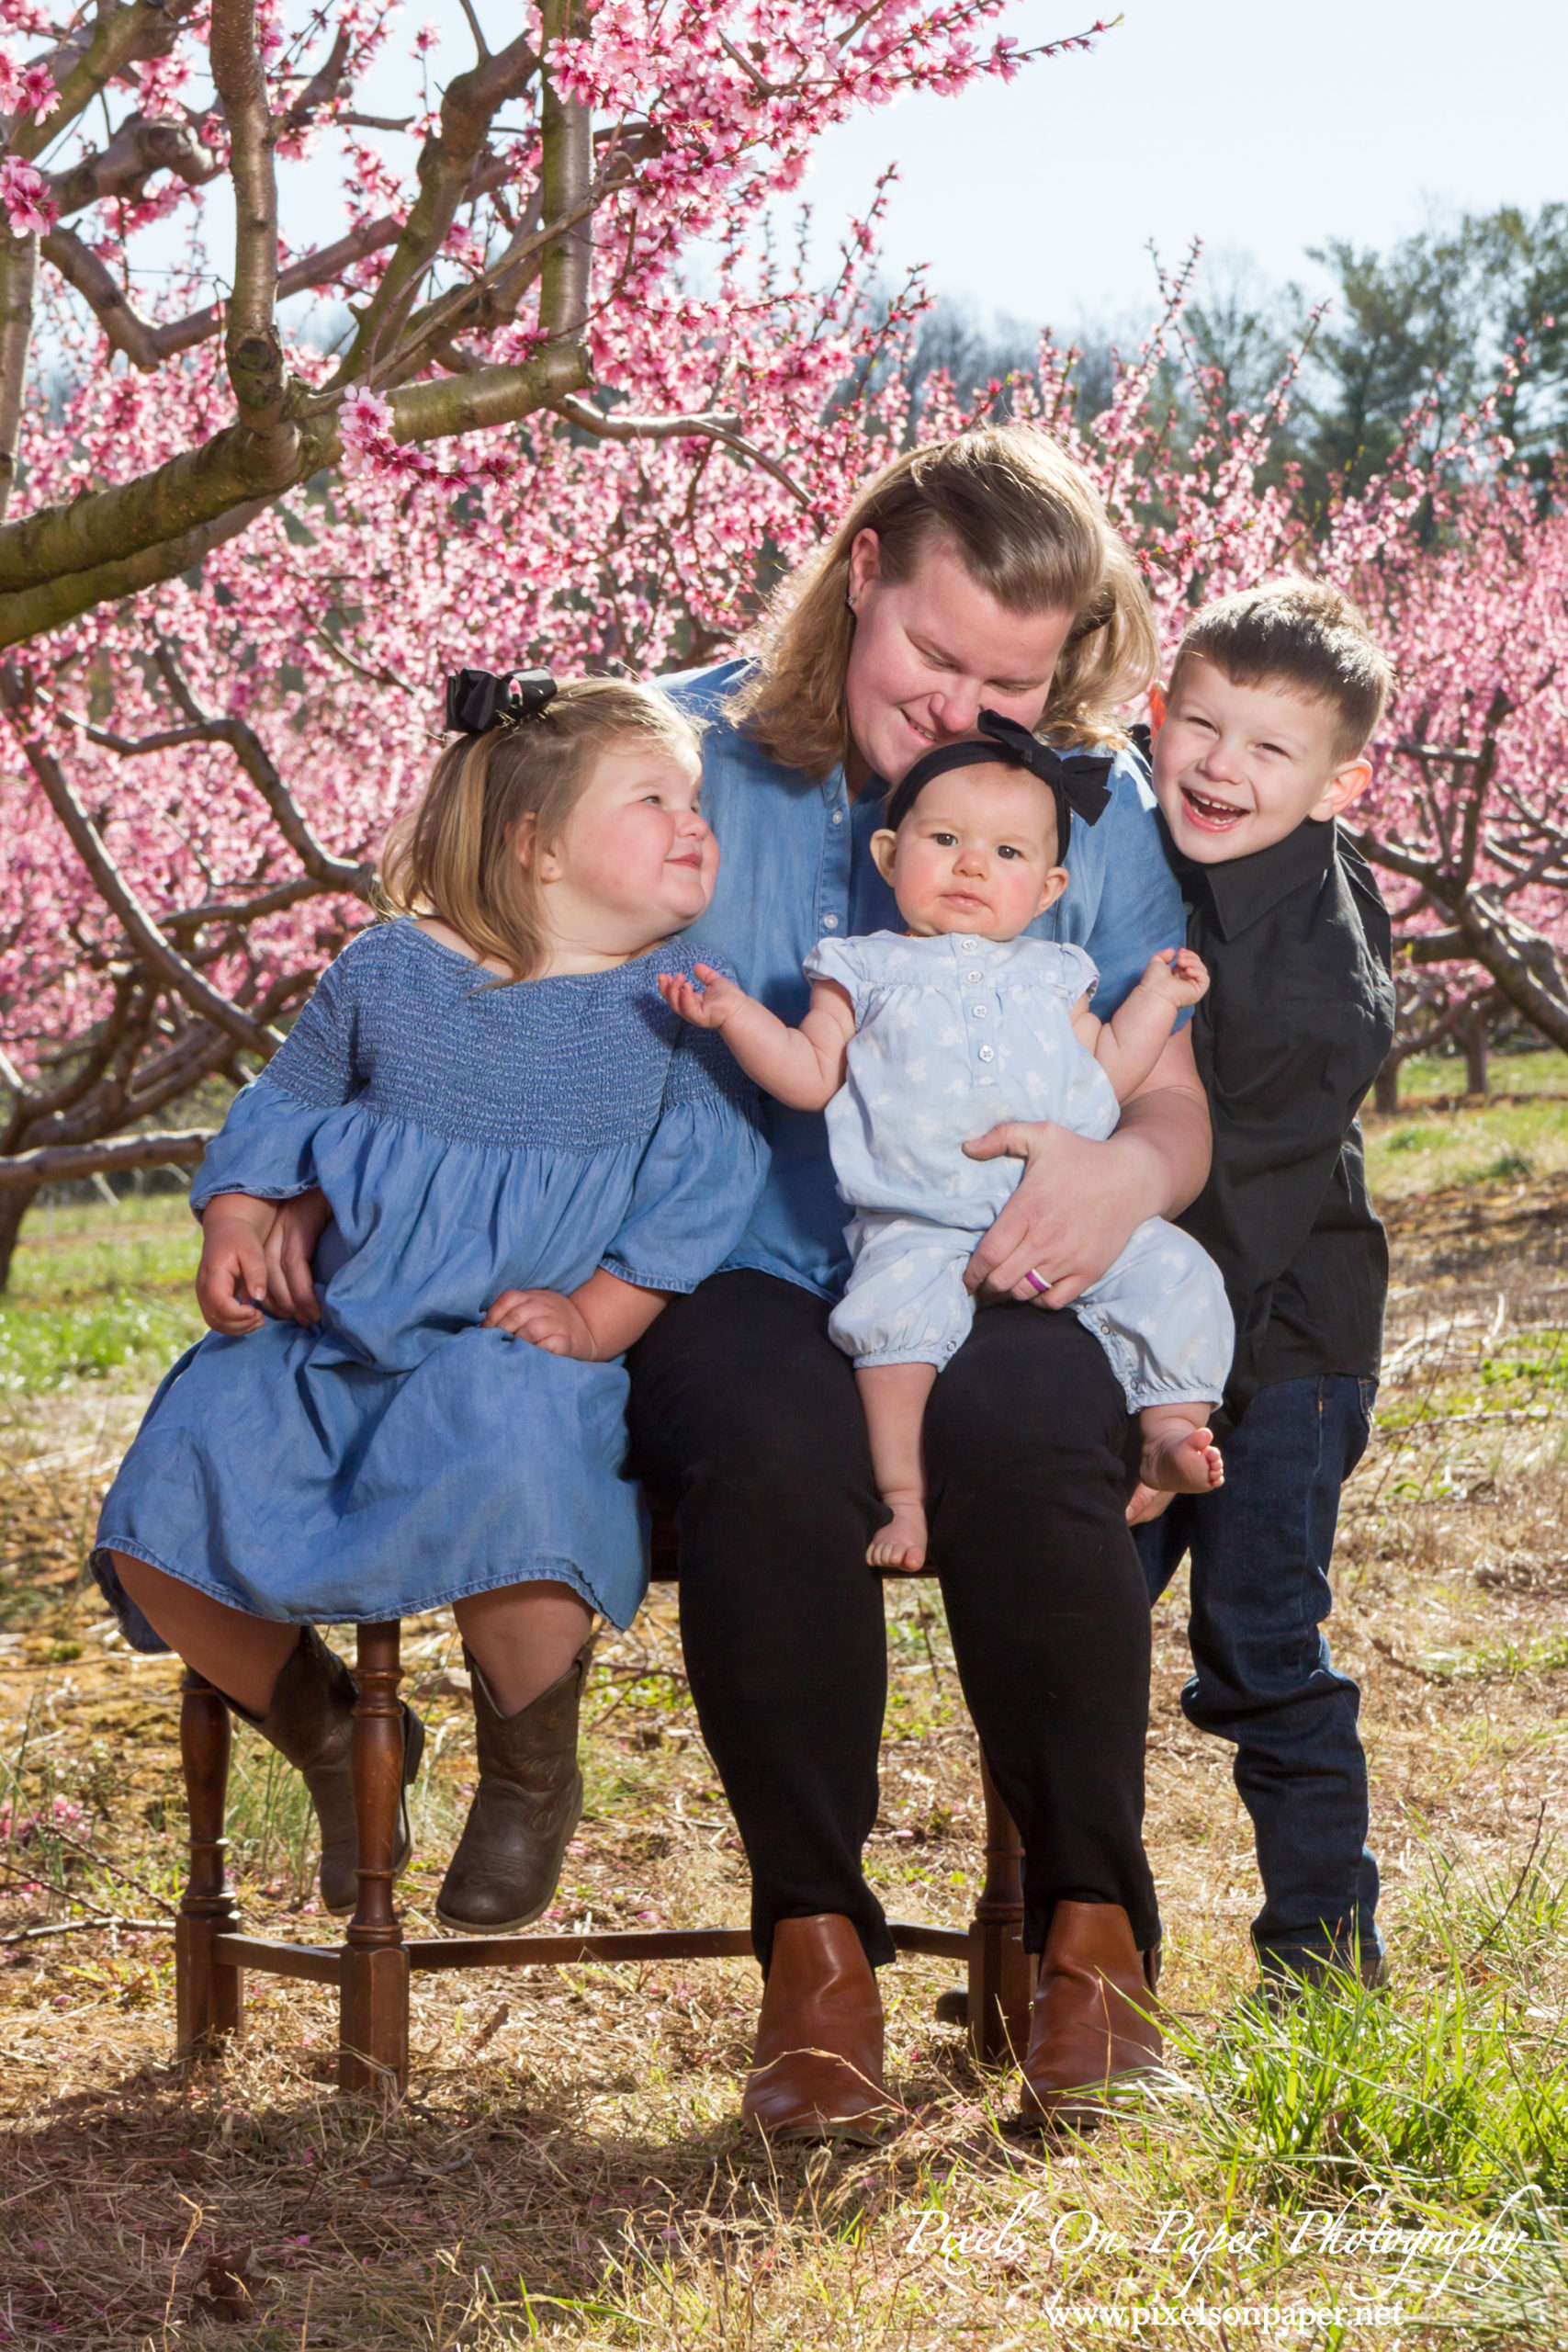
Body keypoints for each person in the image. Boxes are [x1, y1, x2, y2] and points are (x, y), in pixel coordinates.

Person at [265, 428, 1214, 2137]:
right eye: (934, 655)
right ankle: (816, 1951)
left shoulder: (1079, 794)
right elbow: (462, 975)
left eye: (1015, 677)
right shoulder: (668, 755)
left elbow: (1164, 1090)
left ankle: (1092, 1932)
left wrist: (1121, 1172)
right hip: (719, 1254)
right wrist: (301, 1177)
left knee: (1027, 1424)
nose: (963, 714)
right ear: (859, 573)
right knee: (770, 1444)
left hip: (992, 1247)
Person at [91, 674, 767, 1938]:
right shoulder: (392, 970)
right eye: (652, 799)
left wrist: (595, 1319)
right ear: (537, 843)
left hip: (517, 1347)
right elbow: (287, 1103)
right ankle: (338, 1738)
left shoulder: (680, 1007)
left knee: (515, 1446)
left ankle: (528, 1773)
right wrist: (240, 1213)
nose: (694, 823)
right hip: (335, 1339)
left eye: (695, 800)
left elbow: (694, 1196)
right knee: (173, 1482)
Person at [659, 712, 1232, 1573]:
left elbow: (1106, 1077)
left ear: (1046, 891)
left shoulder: (1056, 972)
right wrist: (735, 1015)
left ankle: (1169, 1433)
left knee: (1180, 1275)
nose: (972, 864)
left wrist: (1156, 997)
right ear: (890, 856)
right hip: (917, 1220)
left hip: (1051, 1216)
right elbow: (812, 1073)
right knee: (891, 1335)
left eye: (1008, 854)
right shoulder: (858, 967)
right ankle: (904, 1499)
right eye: (947, 839)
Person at [1133, 578, 1396, 1994]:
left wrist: (1163, 1414)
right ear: (1154, 715)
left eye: (1269, 750)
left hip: (1276, 1339)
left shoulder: (1309, 982)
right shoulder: (1148, 834)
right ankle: (1089, 1943)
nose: (1220, 768)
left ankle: (1319, 1956)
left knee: (1255, 1646)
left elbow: (1244, 1214)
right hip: (1153, 1304)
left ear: (1337, 784)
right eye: (1200, 725)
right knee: (1076, 1631)